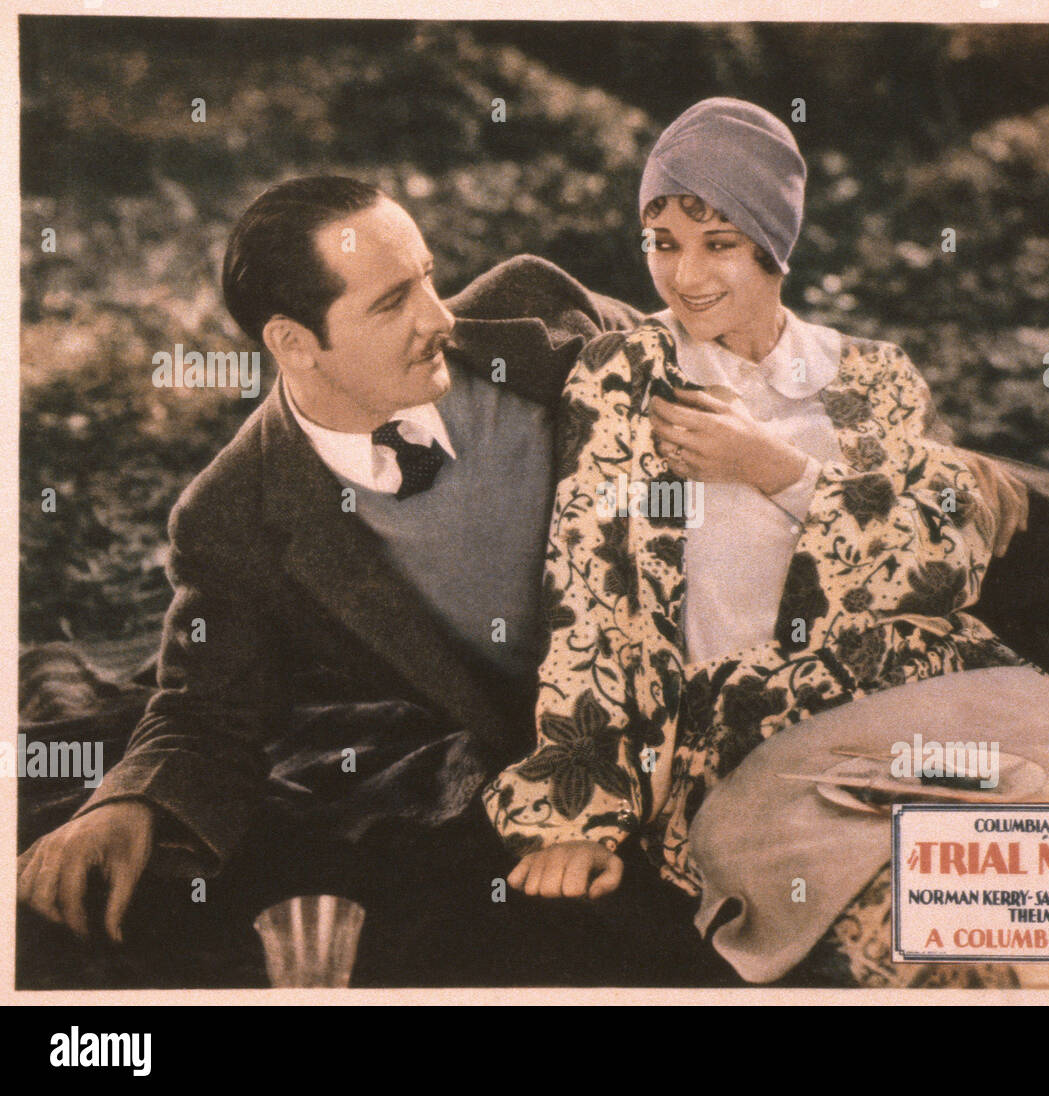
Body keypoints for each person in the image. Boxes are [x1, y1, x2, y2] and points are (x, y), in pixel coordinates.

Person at [483, 99, 1049, 985]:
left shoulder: (872, 374)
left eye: (719, 242)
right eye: (662, 241)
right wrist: (573, 816)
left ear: (774, 242)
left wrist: (777, 470)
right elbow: (592, 597)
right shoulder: (626, 378)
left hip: (943, 691)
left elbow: (939, 567)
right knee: (955, 936)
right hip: (756, 742)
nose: (686, 274)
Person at [16, 175, 736, 986]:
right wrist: (131, 802)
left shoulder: (535, 304)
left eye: (428, 276)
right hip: (583, 766)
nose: (439, 317)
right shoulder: (232, 516)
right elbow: (208, 708)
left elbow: (717, 373)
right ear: (293, 343)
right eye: (393, 303)